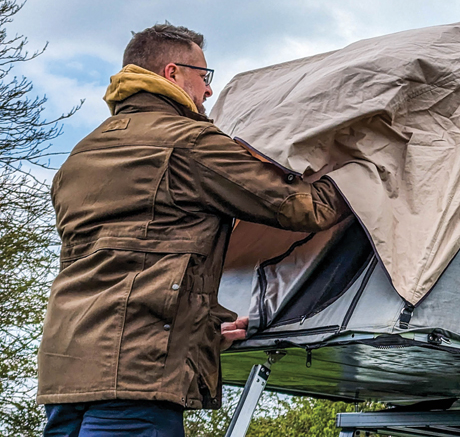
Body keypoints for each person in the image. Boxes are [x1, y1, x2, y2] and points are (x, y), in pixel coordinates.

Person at [37, 23, 350, 436]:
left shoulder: (81, 156)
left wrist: (201, 326)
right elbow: (301, 207)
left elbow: (126, 260)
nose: (208, 92)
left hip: (66, 373)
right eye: (204, 77)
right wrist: (359, 176)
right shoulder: (189, 142)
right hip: (138, 376)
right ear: (172, 74)